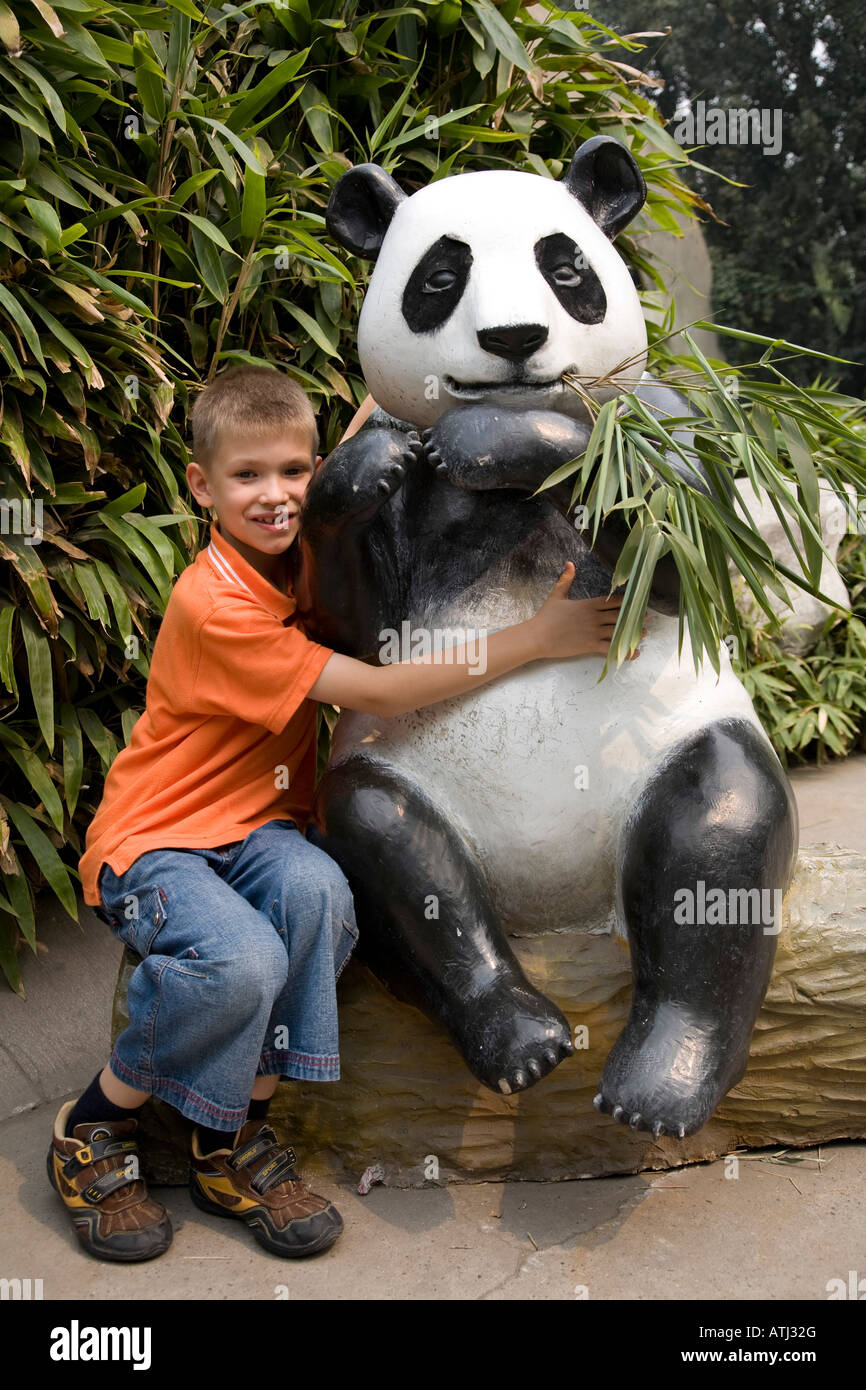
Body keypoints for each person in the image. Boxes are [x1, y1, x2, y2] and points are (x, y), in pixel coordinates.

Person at [47, 366, 643, 1264]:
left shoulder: (297, 551)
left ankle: (230, 1141)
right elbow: (381, 687)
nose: (276, 495)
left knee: (320, 897)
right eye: (247, 477)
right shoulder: (214, 605)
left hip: (258, 830)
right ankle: (93, 1123)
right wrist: (537, 638)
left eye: (294, 471)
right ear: (202, 487)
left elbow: (380, 405)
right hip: (159, 842)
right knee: (241, 960)